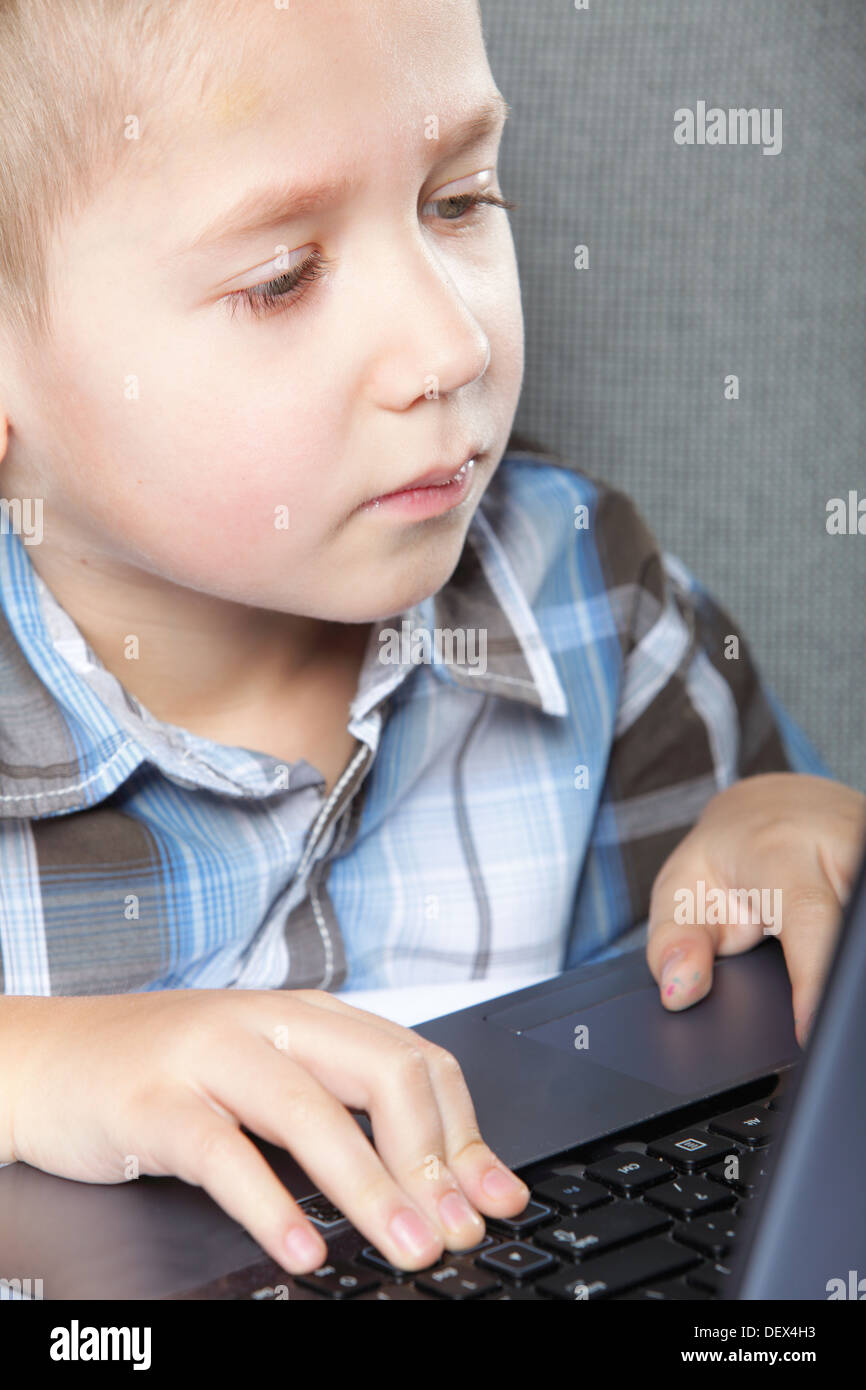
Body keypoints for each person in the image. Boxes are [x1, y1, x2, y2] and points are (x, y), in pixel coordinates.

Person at [0, 0, 862, 1281]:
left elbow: (763, 996)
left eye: (456, 200)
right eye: (283, 275)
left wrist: (781, 835)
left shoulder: (589, 605)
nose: (449, 347)